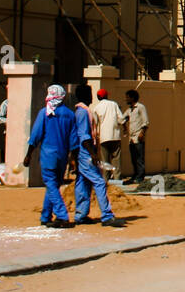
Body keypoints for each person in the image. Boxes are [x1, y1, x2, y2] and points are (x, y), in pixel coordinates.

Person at [21, 84, 75, 228]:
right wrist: (73, 158)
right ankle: (45, 216)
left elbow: (35, 136)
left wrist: (28, 155)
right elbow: (73, 139)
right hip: (62, 155)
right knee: (53, 185)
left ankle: (62, 215)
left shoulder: (44, 113)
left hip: (48, 155)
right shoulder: (70, 114)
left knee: (51, 184)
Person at [71, 85, 122, 227]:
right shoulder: (82, 113)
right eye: (89, 94)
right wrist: (92, 153)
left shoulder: (84, 111)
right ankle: (106, 215)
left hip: (85, 151)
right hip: (86, 152)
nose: (91, 97)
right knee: (99, 182)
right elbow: (84, 135)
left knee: (83, 182)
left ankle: (80, 215)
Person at [91, 88, 126, 181]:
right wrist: (125, 128)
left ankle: (105, 180)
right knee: (116, 160)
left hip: (104, 137)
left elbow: (95, 124)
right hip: (115, 136)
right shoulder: (114, 104)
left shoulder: (97, 108)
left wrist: (95, 137)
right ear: (107, 96)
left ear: (98, 97)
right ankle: (117, 179)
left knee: (105, 161)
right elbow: (121, 119)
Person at [124, 89, 149, 184]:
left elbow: (145, 121)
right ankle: (135, 175)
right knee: (133, 158)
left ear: (132, 98)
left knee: (139, 158)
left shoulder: (140, 107)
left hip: (138, 137)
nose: (126, 99)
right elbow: (122, 119)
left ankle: (140, 176)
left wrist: (142, 133)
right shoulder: (129, 110)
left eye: (128, 97)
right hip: (131, 138)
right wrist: (124, 128)